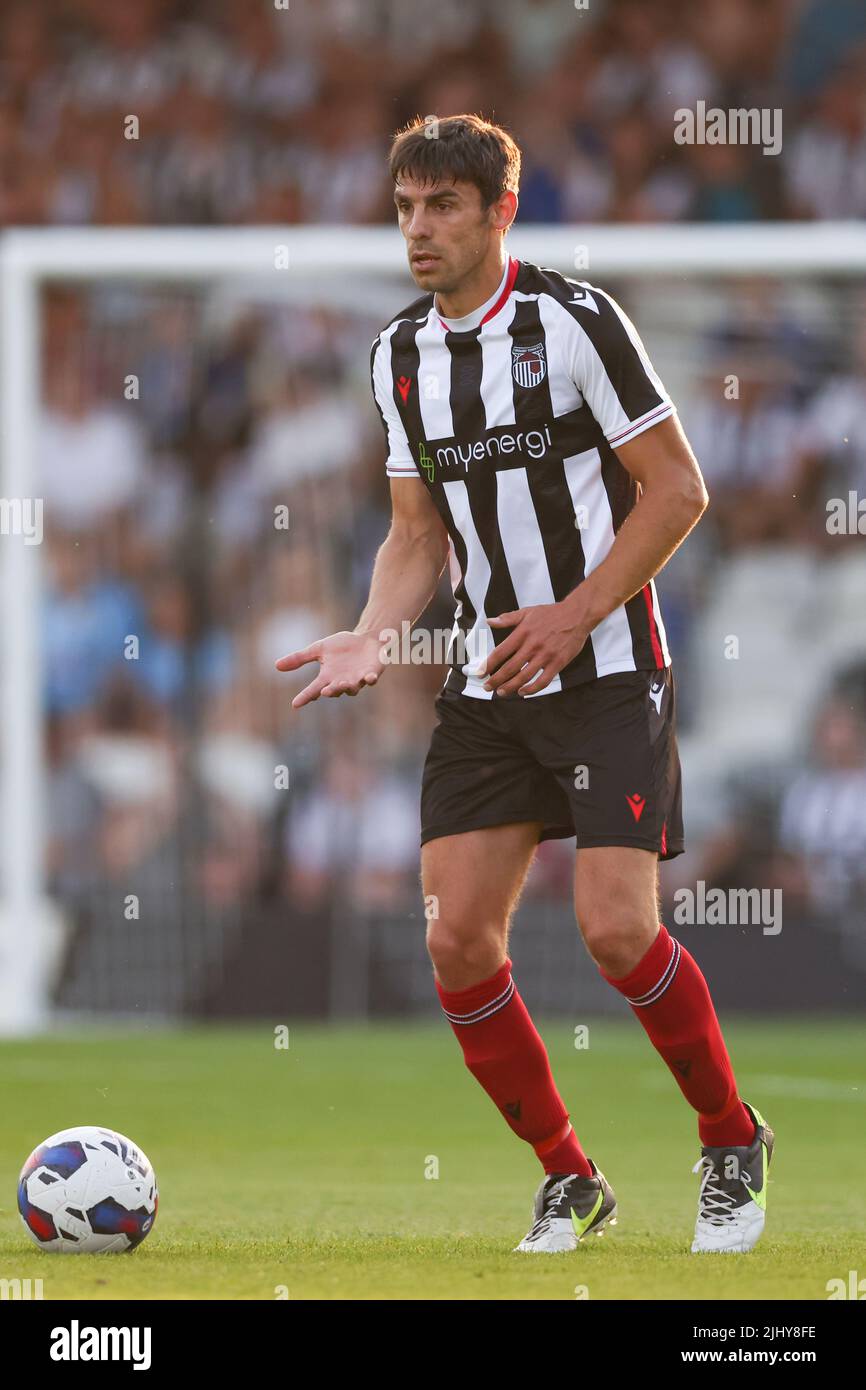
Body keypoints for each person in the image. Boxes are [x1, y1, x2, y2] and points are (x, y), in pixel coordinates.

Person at [277, 114, 773, 1254]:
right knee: (456, 943)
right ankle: (569, 1176)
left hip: (604, 666)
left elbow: (676, 491)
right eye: (404, 208)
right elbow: (414, 535)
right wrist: (367, 633)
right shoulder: (396, 355)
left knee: (611, 931)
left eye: (442, 206)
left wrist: (573, 613)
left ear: (500, 212)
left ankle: (728, 1138)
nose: (418, 230)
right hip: (489, 680)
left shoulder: (578, 322)